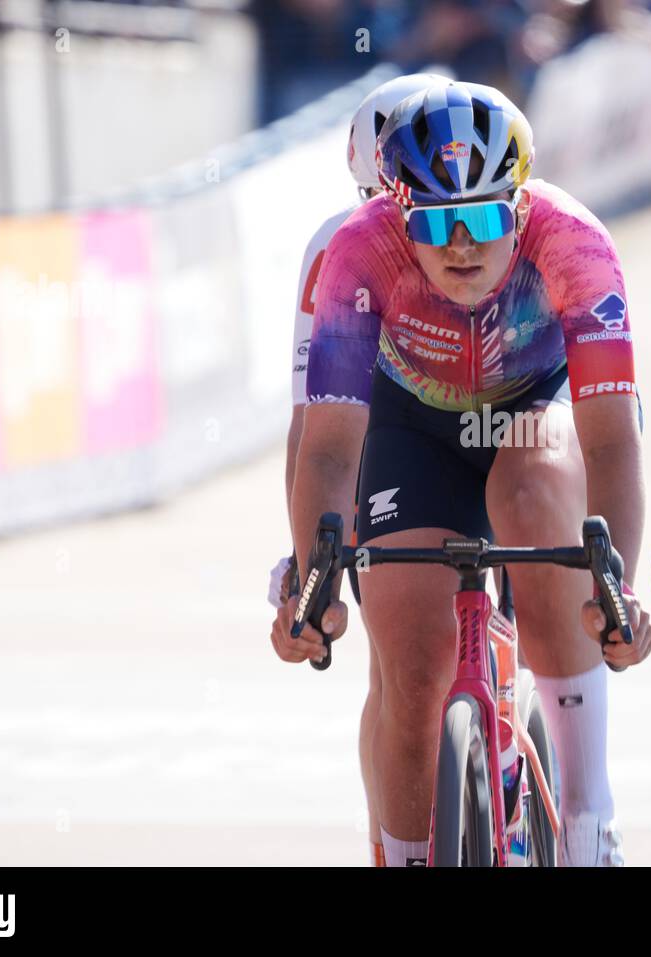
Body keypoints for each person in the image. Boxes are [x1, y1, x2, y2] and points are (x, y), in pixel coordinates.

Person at [272, 79, 651, 866]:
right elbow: (328, 445)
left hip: (537, 406)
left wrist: (615, 591)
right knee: (411, 673)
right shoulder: (354, 250)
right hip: (418, 426)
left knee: (534, 492)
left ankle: (589, 814)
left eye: (483, 218)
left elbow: (612, 440)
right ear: (396, 212)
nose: (462, 245)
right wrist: (315, 585)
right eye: (439, 223)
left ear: (519, 207)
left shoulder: (575, 242)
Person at [267, 72, 451, 868]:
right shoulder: (335, 250)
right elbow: (313, 422)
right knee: (397, 663)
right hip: (384, 434)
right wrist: (312, 565)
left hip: (487, 418)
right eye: (382, 206)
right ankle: (396, 848)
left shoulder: (491, 222)